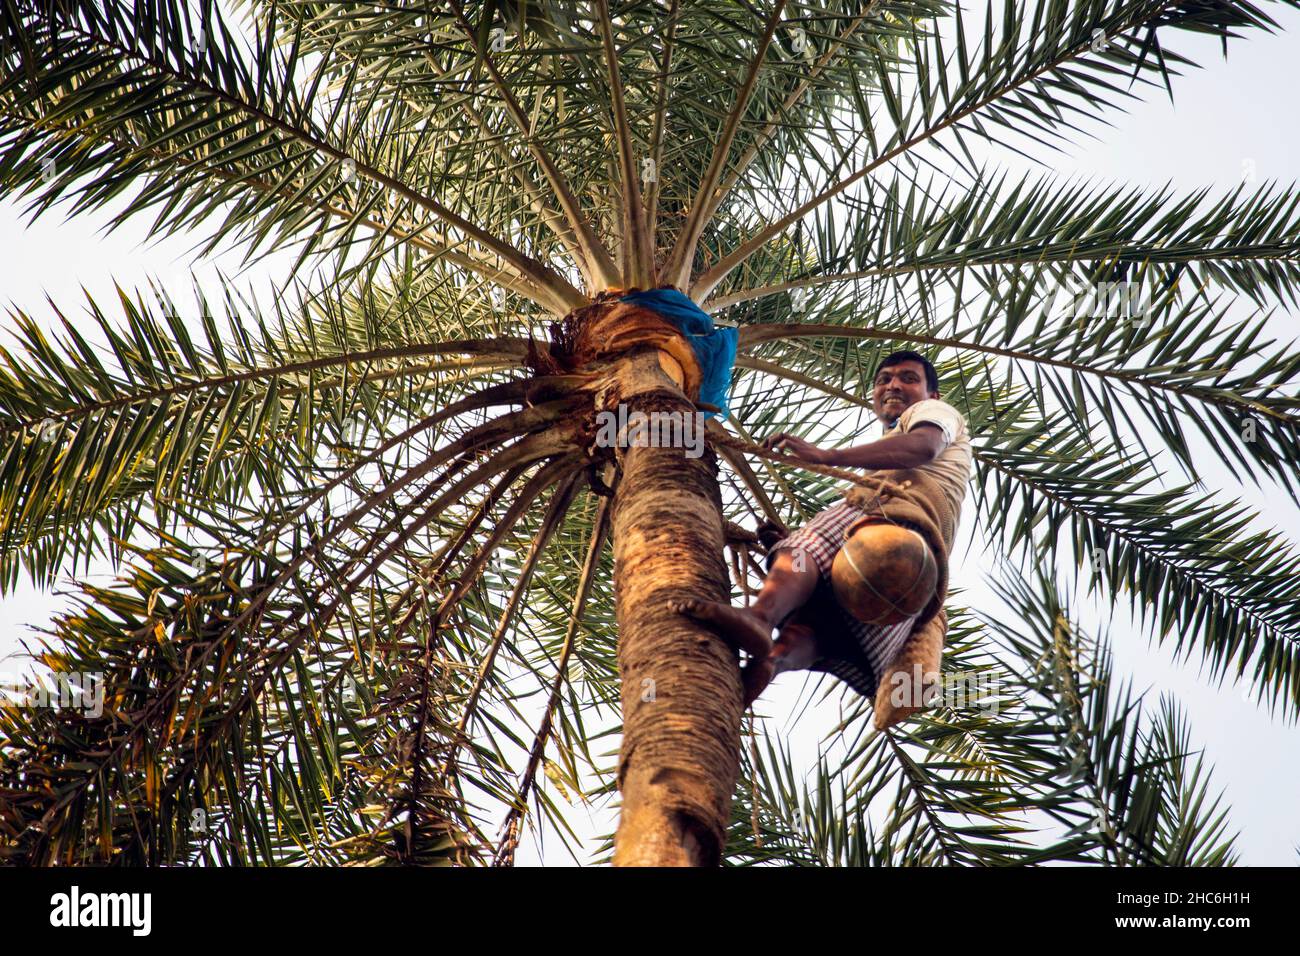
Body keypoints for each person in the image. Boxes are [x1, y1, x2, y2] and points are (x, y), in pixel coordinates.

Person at [668, 350, 973, 708]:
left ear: (932, 395)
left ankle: (761, 617)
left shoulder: (936, 414)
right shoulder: (897, 444)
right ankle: (772, 662)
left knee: (801, 551)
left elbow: (924, 448)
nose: (893, 385)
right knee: (821, 627)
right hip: (911, 585)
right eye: (884, 379)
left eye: (908, 378)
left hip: (897, 522)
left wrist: (825, 456)